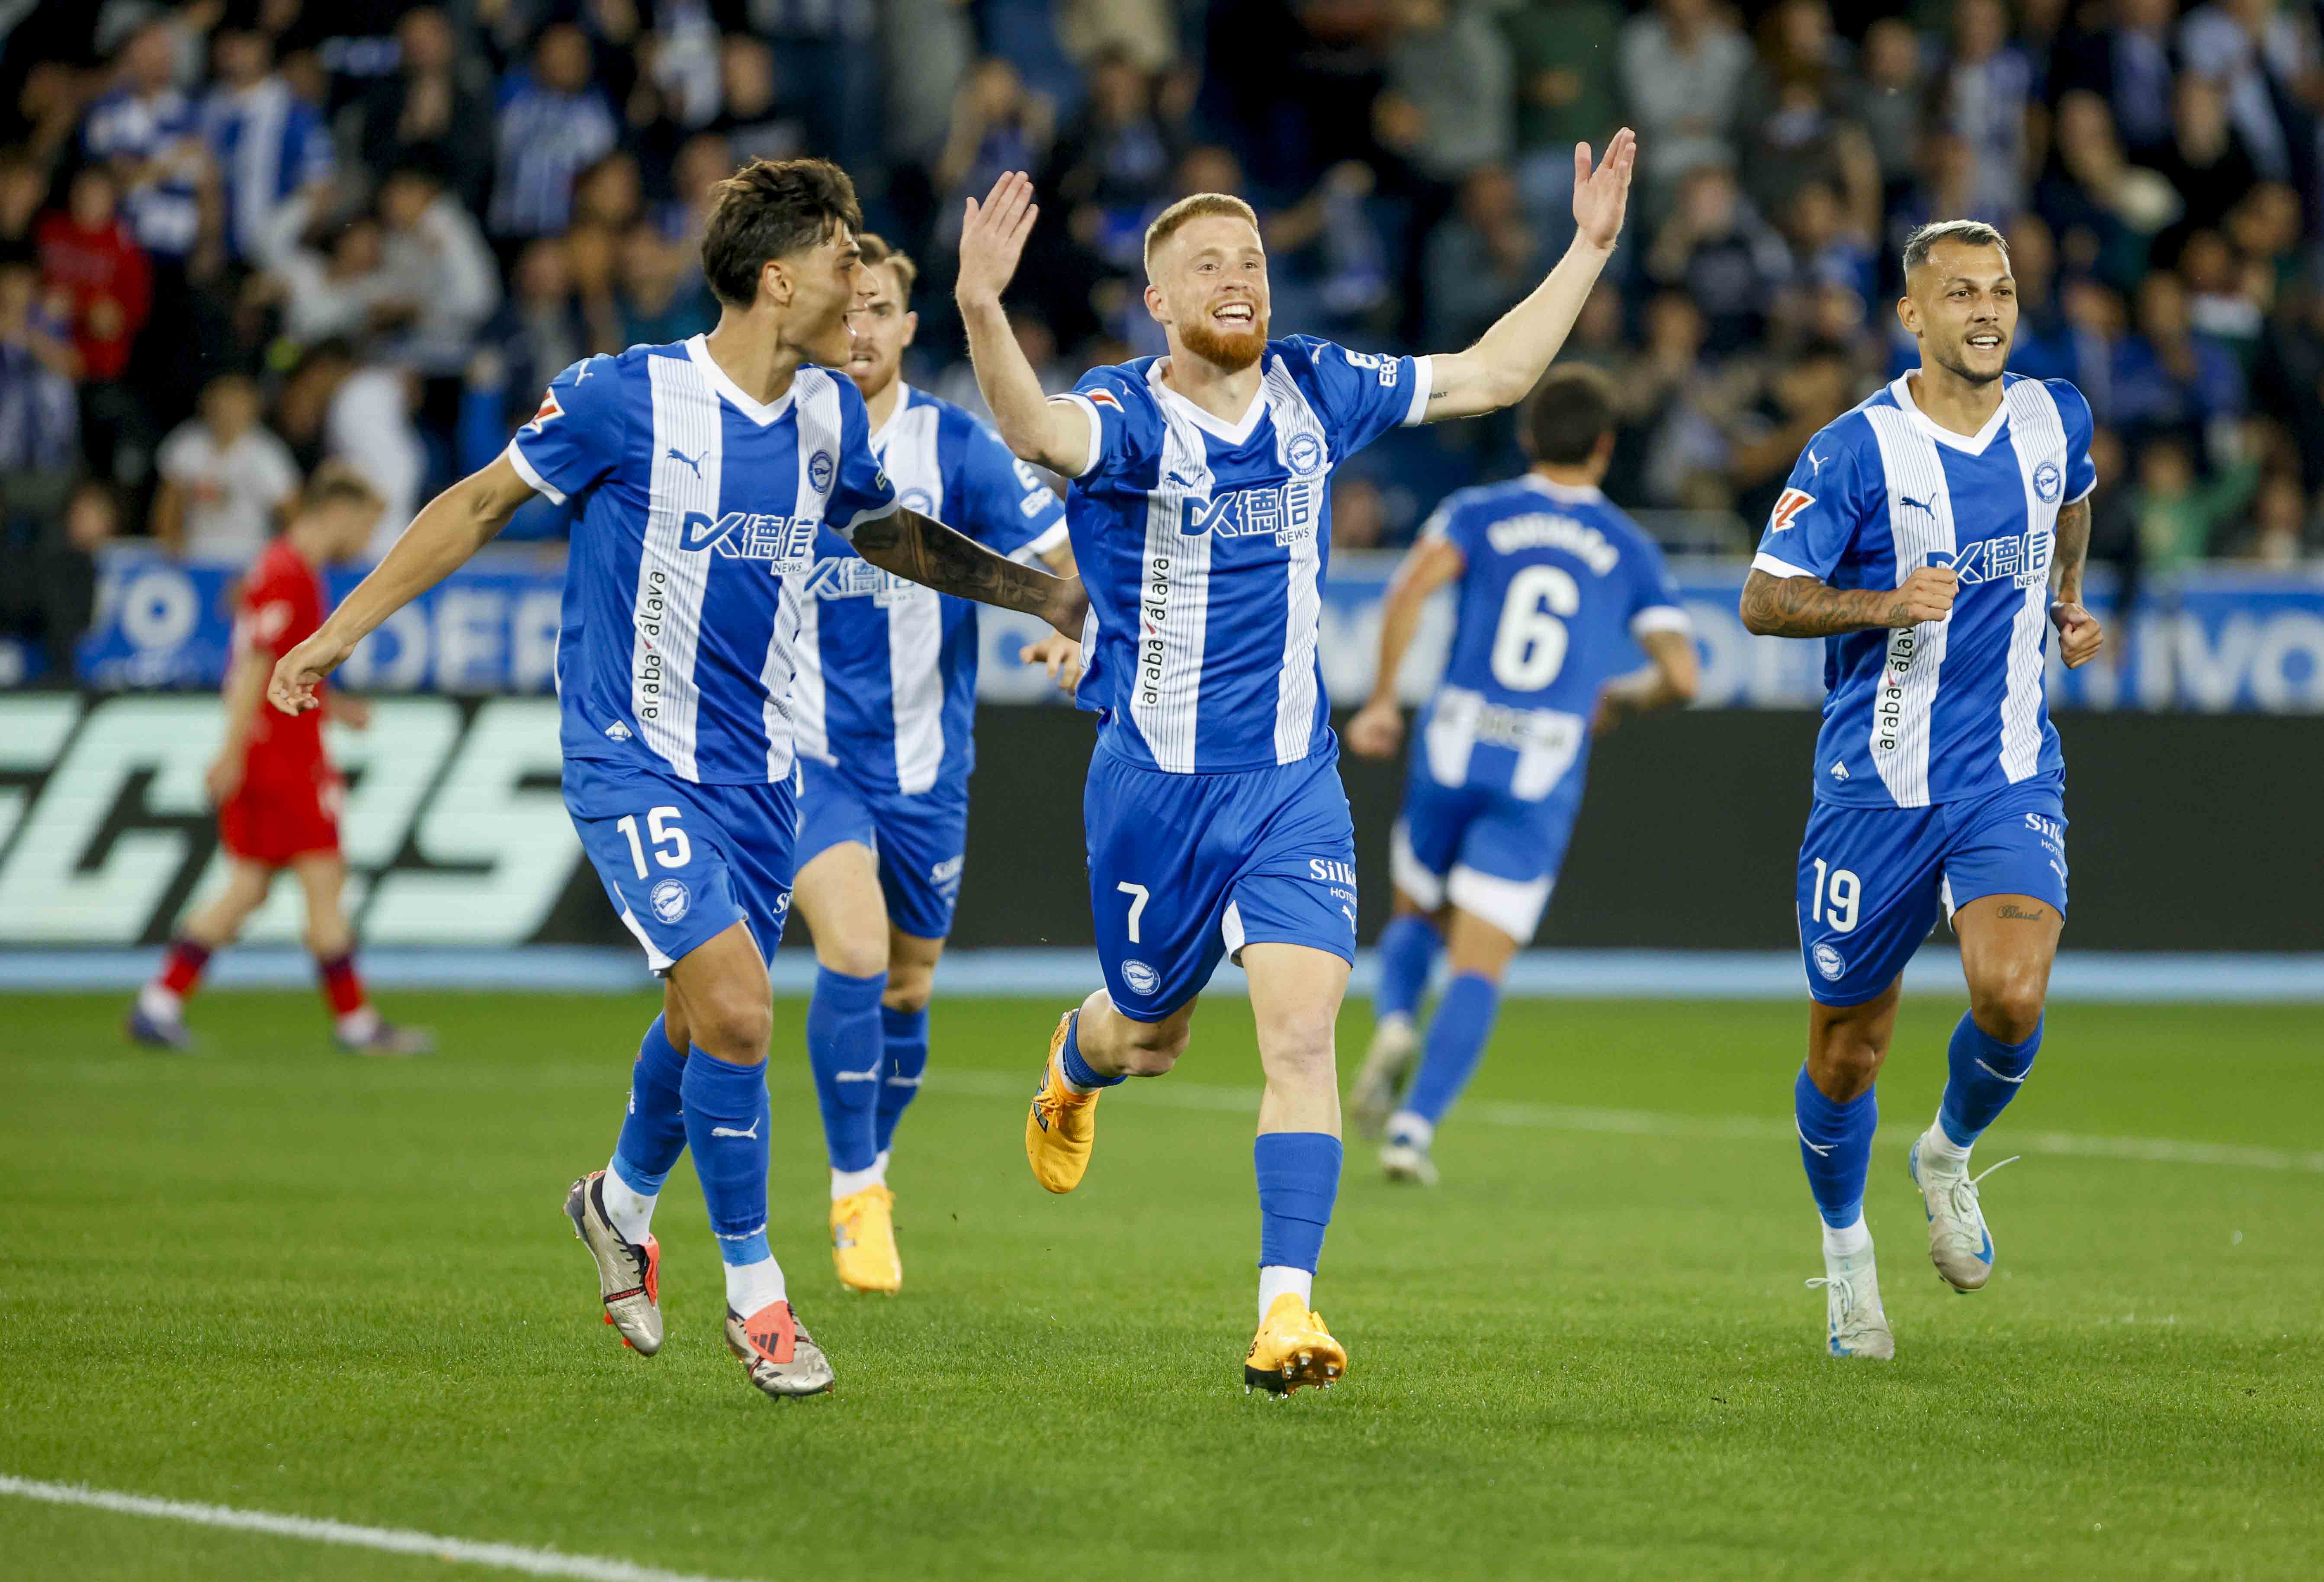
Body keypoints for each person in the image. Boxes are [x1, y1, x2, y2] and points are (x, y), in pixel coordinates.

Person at [262, 158, 1085, 1402]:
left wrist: (1045, 592)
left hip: (760, 776)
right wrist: (342, 626)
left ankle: (617, 1202)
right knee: (746, 1011)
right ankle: (757, 1295)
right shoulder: (624, 396)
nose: (861, 280)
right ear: (775, 280)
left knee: (703, 1017)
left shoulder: (822, 421)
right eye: (842, 258)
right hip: (631, 754)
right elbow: (483, 502)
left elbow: (884, 533)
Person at [953, 130, 1637, 1394]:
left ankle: (1286, 1311)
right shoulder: (1124, 414)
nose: (1238, 277)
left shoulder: (1319, 386)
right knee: (1147, 1036)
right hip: (1155, 793)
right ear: (1156, 301)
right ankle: (1072, 1060)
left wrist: (1587, 250)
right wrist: (983, 306)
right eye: (1205, 262)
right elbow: (1032, 427)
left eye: (1252, 259)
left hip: (1290, 788)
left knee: (1303, 1039)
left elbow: (1492, 372)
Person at [1737, 219, 2105, 1360]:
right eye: (1959, 293)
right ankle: (1847, 1259)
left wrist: (2064, 597)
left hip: (2003, 771)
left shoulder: (2055, 415)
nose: (1986, 309)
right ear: (1912, 315)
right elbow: (1762, 597)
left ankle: (1944, 1154)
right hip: (1872, 791)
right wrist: (1880, 604)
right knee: (1846, 1050)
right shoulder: (1853, 451)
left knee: (2010, 995)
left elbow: (2069, 498)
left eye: (1999, 289)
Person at [790, 233, 1073, 1295]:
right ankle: (854, 1186)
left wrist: (1067, 621)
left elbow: (1055, 556)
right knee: (856, 952)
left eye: (879, 311)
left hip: (926, 767)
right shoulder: (779, 436)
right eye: (845, 308)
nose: (859, 328)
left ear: (910, 327)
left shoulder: (954, 444)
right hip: (803, 758)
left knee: (909, 983)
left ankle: (877, 1167)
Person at [1342, 365, 1701, 1183]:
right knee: (1479, 961)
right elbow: (1682, 675)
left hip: (1455, 735)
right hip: (1541, 759)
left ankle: (1396, 1015)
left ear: (1530, 437)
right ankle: (1413, 1130)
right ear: (1607, 448)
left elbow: (1407, 592)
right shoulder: (1629, 546)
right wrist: (1620, 696)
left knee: (1416, 909)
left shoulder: (1478, 510)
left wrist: (1384, 700)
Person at [127, 465, 431, 1056]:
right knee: (323, 880)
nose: (368, 538)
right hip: (283, 758)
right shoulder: (291, 573)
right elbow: (257, 669)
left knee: (248, 887)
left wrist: (333, 708)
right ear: (338, 511)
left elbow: (271, 668)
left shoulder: (280, 565)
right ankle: (356, 1023)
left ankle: (158, 1002)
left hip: (276, 748)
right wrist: (231, 751)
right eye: (367, 523)